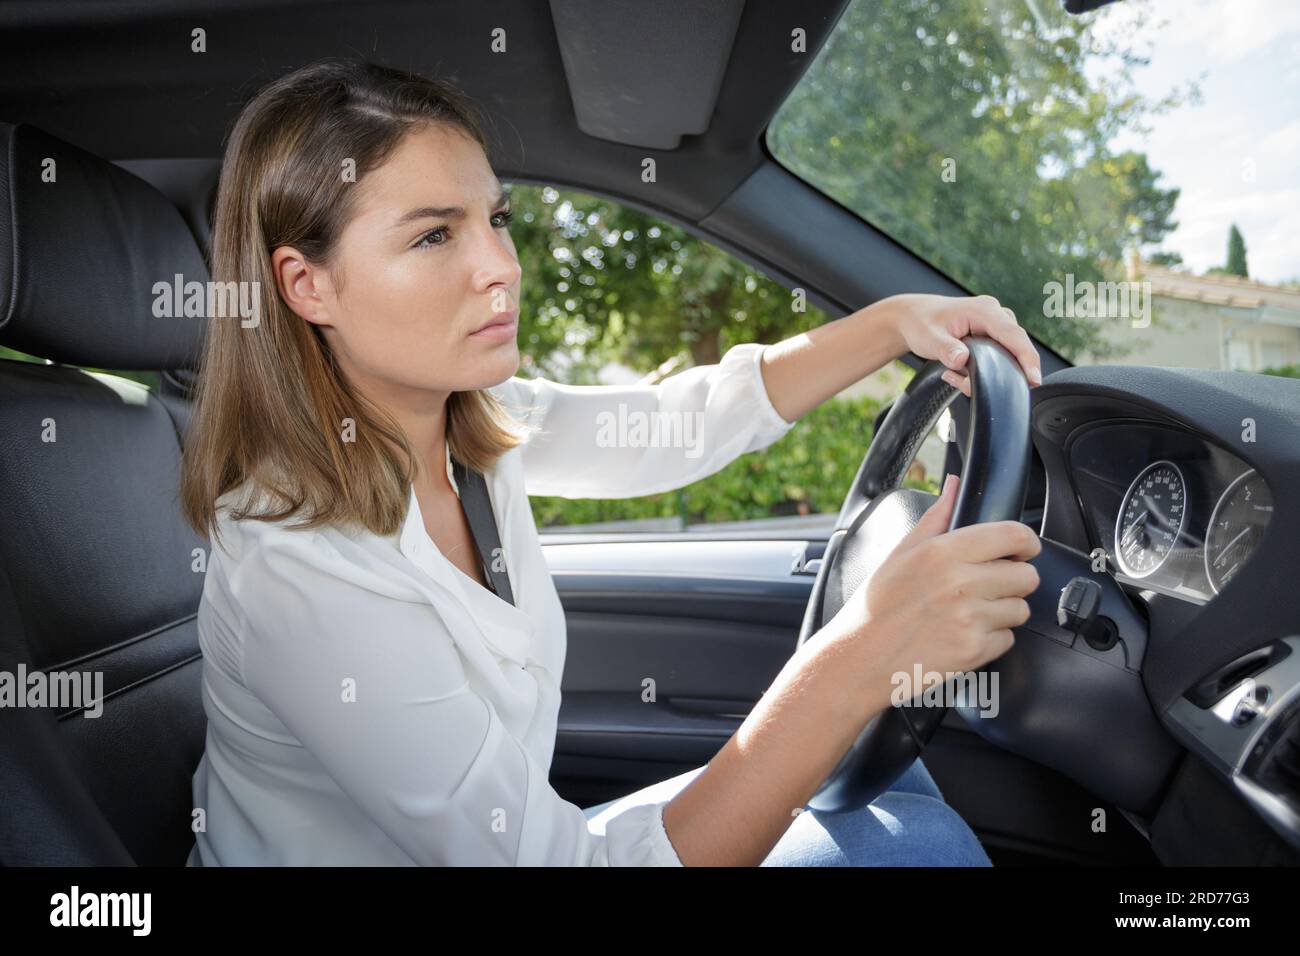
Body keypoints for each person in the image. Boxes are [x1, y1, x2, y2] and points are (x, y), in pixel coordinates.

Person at [180, 59, 1043, 867]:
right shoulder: (296, 561)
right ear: (307, 285)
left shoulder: (470, 425)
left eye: (496, 219)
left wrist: (893, 322)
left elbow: (675, 426)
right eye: (434, 237)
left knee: (886, 795)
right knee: (902, 842)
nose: (501, 268)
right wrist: (870, 648)